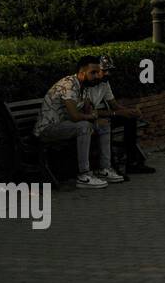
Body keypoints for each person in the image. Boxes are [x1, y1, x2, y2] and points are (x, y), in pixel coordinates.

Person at [34, 56, 121, 188]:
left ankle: (105, 169)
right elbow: (75, 116)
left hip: (66, 126)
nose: (97, 75)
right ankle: (84, 175)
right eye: (93, 72)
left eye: (98, 72)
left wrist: (96, 118)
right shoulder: (68, 85)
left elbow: (87, 111)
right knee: (84, 127)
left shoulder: (85, 87)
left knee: (103, 124)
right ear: (82, 73)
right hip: (48, 129)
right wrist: (92, 116)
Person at [84, 55, 155, 175]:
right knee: (106, 125)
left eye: (109, 71)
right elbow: (89, 112)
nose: (108, 74)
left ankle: (132, 163)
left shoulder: (105, 84)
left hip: (101, 116)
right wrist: (117, 112)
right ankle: (112, 166)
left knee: (129, 119)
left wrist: (129, 111)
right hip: (89, 118)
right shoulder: (87, 84)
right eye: (105, 71)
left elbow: (114, 105)